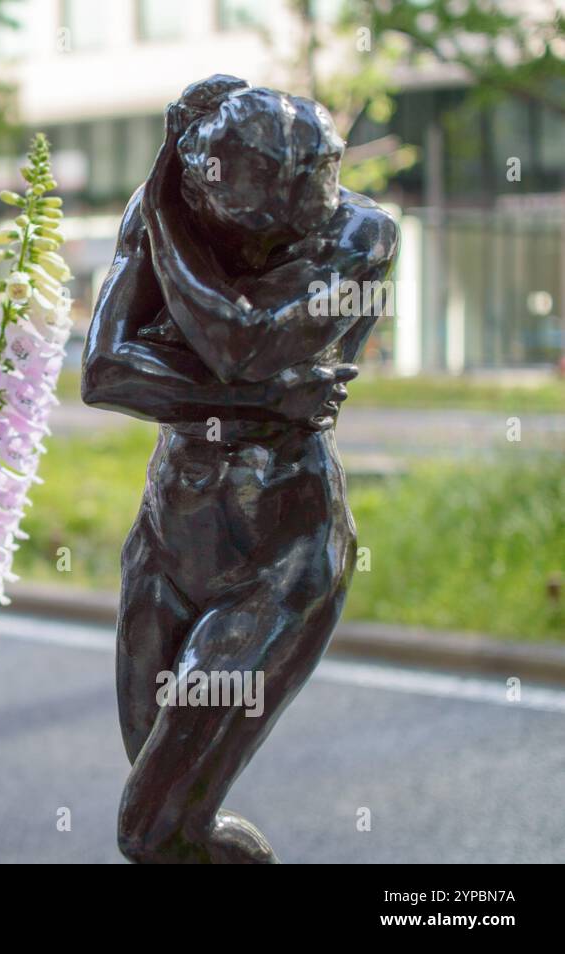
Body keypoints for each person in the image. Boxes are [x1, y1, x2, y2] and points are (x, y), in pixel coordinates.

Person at [81, 74, 399, 863]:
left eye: (279, 236)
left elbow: (241, 341)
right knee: (175, 821)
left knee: (149, 830)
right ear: (195, 177)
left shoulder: (362, 234)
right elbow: (107, 371)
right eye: (239, 232)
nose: (255, 251)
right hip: (166, 544)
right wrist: (274, 399)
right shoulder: (171, 207)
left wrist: (163, 231)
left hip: (279, 560)